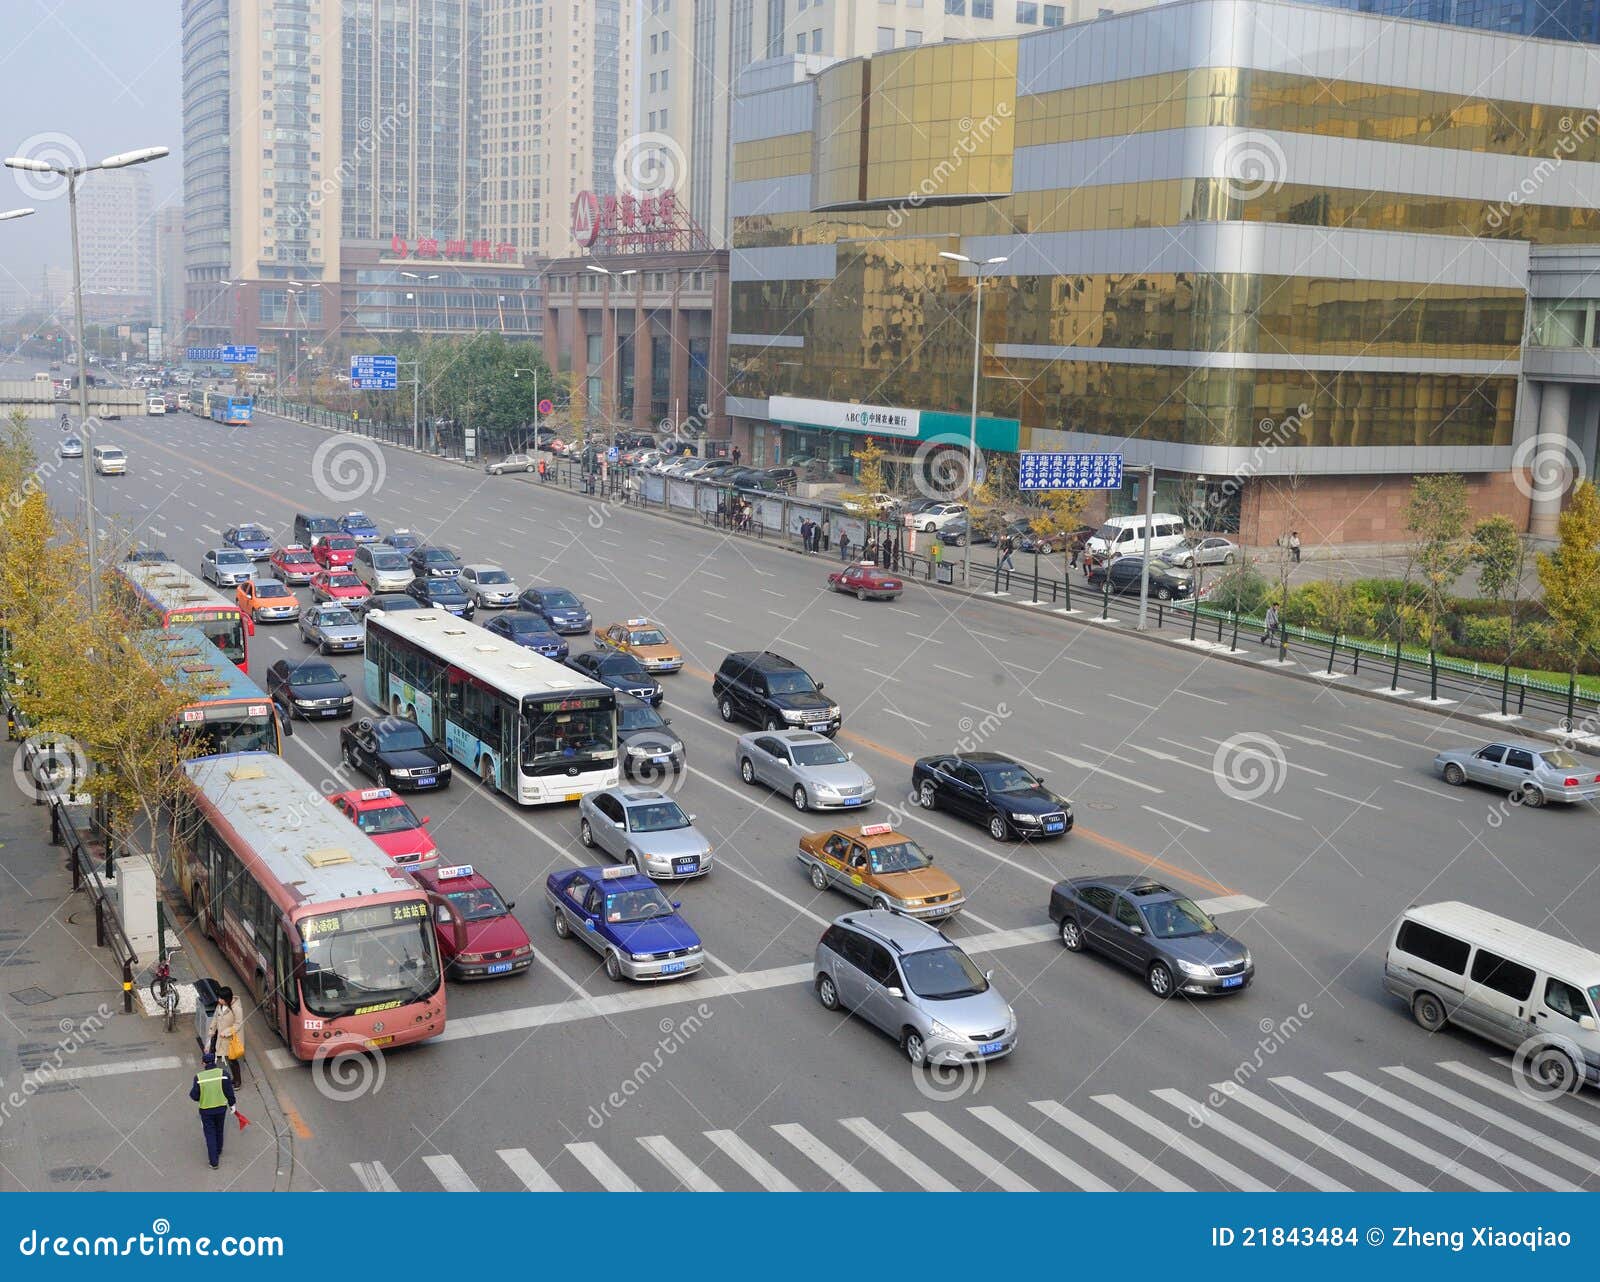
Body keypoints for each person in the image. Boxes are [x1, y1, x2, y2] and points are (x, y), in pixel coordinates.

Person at [189, 1051, 237, 1169]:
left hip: (206, 1110)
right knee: (219, 1130)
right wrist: (232, 1104)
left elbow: (194, 1096)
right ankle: (218, 1150)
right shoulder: (223, 1074)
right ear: (215, 1061)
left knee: (210, 1134)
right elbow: (229, 1092)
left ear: (203, 1063)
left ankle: (214, 1162)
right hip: (221, 1108)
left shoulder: (199, 1078)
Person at [209, 985, 244, 1085]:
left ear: (227, 999)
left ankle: (237, 1080)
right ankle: (234, 1079)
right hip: (221, 1038)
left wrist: (227, 1032)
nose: (219, 1000)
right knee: (228, 1059)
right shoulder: (219, 1005)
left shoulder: (236, 1008)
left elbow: (238, 1024)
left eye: (221, 998)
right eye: (219, 998)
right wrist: (212, 1030)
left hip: (231, 1039)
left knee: (233, 1060)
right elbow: (215, 1018)